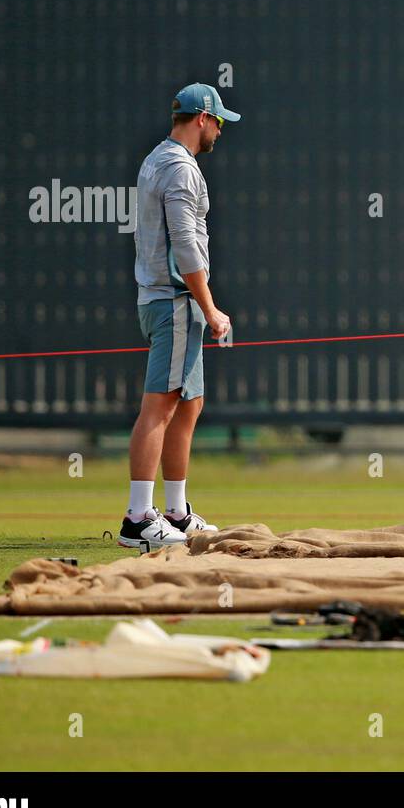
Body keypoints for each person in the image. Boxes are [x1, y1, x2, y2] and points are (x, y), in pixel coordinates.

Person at [117, 83, 240, 550]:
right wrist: (209, 307)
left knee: (189, 404)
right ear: (202, 119)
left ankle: (176, 511)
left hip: (167, 300)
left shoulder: (156, 158)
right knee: (161, 406)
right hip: (174, 302)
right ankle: (137, 519)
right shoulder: (180, 169)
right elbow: (185, 244)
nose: (221, 130)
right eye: (219, 121)